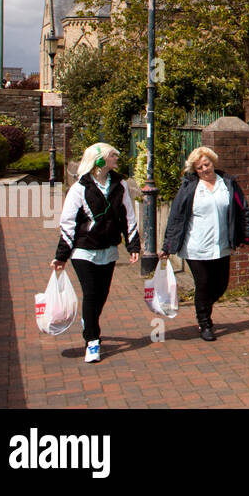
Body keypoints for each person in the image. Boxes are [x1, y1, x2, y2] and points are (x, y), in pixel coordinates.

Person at [51, 142, 140, 363]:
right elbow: (68, 223)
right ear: (100, 160)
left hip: (108, 249)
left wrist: (133, 245)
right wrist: (61, 256)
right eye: (112, 156)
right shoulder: (80, 188)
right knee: (90, 293)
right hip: (84, 250)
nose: (117, 159)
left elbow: (128, 215)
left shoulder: (120, 185)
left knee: (102, 294)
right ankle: (92, 340)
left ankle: (89, 321)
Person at [160, 146, 249, 341]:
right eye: (199, 167)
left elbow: (242, 209)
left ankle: (202, 306)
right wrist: (168, 246)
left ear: (213, 163)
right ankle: (205, 322)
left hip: (221, 245)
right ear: (195, 170)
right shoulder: (189, 188)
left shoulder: (228, 183)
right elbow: (176, 217)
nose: (204, 169)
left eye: (207, 164)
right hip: (196, 246)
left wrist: (247, 235)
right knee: (203, 284)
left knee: (220, 285)